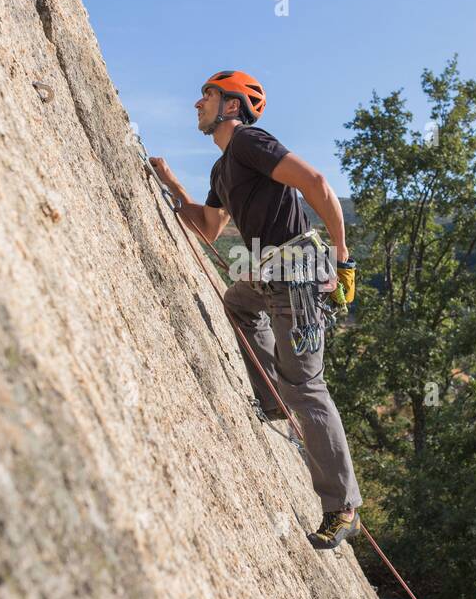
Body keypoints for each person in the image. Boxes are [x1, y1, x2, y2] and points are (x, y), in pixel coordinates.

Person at [150, 70, 362, 550]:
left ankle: (342, 506)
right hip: (268, 274)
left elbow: (315, 181)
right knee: (237, 304)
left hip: (299, 271)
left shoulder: (249, 142)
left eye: (207, 95)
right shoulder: (223, 169)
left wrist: (343, 255)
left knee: (307, 386)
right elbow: (207, 227)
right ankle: (272, 398)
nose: (197, 103)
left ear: (231, 106)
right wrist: (171, 184)